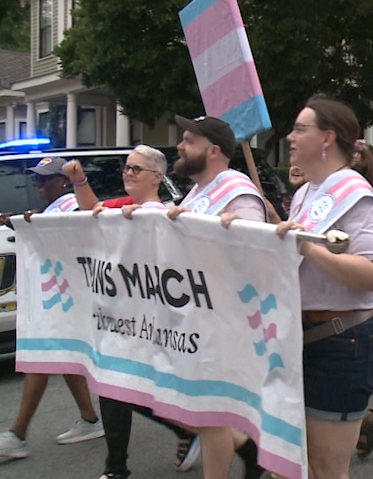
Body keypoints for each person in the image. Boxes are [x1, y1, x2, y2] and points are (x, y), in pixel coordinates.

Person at [62, 147, 203, 478]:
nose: (127, 173)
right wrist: (79, 180)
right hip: (120, 321)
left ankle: (220, 439)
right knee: (115, 387)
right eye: (126, 168)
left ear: (156, 176)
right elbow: (91, 210)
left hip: (153, 323)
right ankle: (118, 467)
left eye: (136, 169)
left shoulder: (167, 216)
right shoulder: (120, 209)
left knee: (134, 389)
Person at [273, 96, 373, 479]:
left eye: (300, 129)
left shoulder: (354, 195)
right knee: (296, 462)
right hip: (302, 338)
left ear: (327, 137)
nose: (290, 137)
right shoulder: (308, 193)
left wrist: (308, 247)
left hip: (343, 341)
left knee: (326, 468)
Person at [151, 115, 268, 478]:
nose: (180, 147)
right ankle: (252, 449)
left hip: (226, 325)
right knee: (180, 408)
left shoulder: (237, 192)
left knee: (209, 413)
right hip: (196, 323)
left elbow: (257, 260)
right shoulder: (198, 192)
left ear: (213, 150)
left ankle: (251, 451)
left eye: (188, 140)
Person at [0, 158, 105, 461]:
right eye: (36, 179)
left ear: (63, 180)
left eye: (46, 179)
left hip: (69, 295)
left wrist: (32, 225)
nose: (38, 184)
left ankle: (17, 434)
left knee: (41, 355)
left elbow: (78, 233)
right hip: (57, 294)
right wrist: (20, 222)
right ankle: (89, 419)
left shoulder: (72, 205)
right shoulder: (51, 210)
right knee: (59, 352)